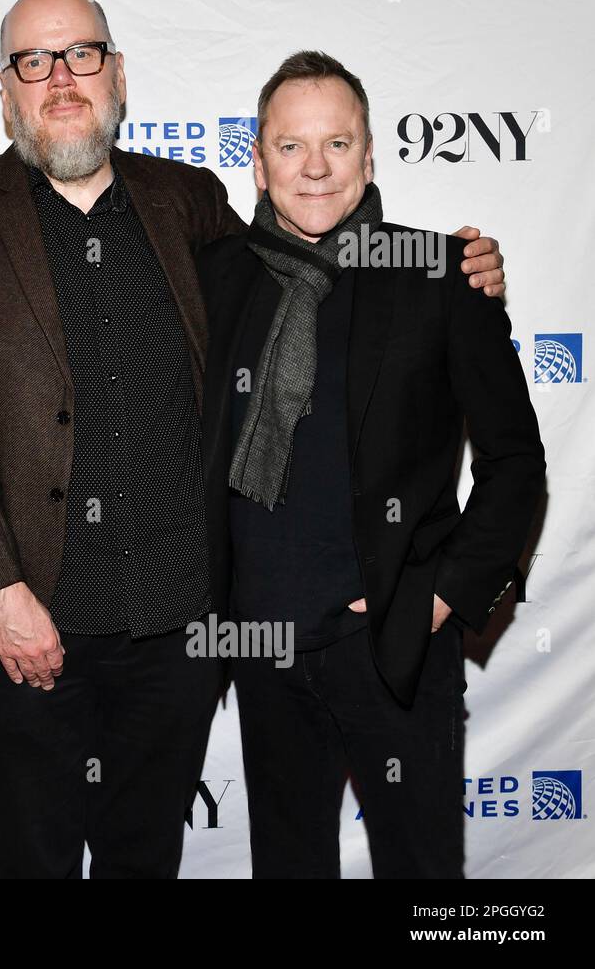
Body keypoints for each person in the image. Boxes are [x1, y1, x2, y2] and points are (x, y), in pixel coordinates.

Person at [0, 0, 508, 879]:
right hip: (20, 623)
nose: (61, 77)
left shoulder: (190, 201)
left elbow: (308, 271)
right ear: (6, 88)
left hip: (179, 628)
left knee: (149, 856)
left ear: (119, 74)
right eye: (35, 60)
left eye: (82, 54)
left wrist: (450, 262)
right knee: (35, 856)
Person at [198, 50, 544, 878]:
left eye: (337, 144)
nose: (314, 168)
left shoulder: (440, 274)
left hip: (393, 646)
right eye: (290, 146)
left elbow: (516, 463)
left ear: (369, 153)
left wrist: (441, 597)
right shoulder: (214, 280)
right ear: (258, 159)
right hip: (263, 648)